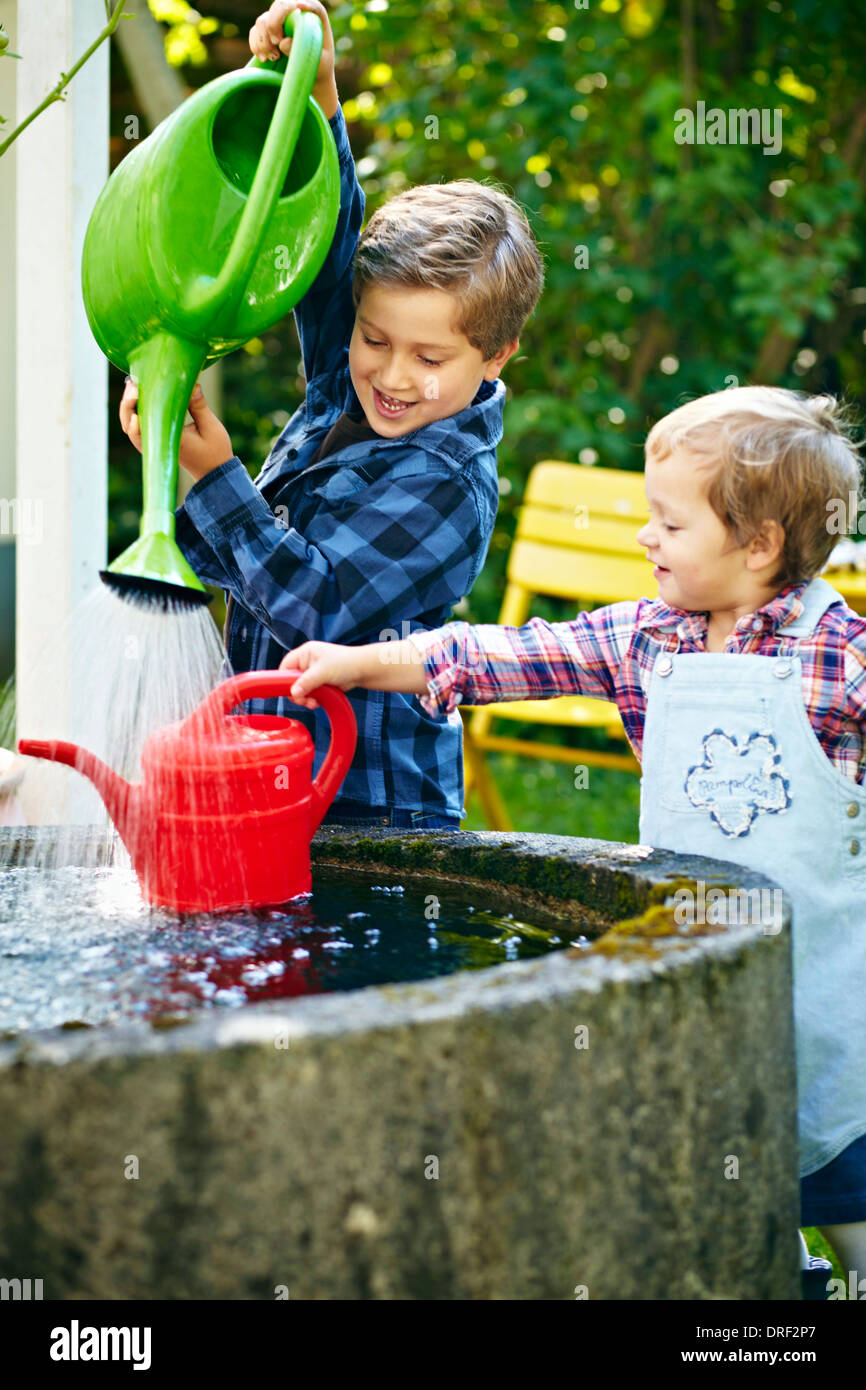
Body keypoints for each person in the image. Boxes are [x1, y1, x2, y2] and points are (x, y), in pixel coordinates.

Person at [277, 384, 866, 1295]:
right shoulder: (646, 637)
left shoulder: (842, 658)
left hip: (828, 980)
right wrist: (357, 663)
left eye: (670, 526)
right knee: (732, 1173)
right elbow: (499, 657)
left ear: (758, 545)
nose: (645, 539)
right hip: (700, 959)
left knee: (843, 1171)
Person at [119, 0, 545, 832]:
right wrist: (316, 100)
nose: (390, 375)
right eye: (373, 337)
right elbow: (328, 253)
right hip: (275, 774)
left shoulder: (448, 483)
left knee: (355, 964)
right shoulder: (343, 388)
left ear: (496, 356)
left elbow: (315, 605)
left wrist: (214, 478)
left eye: (429, 359)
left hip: (370, 811)